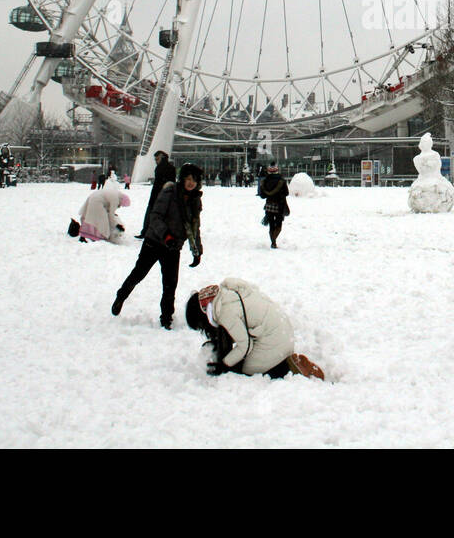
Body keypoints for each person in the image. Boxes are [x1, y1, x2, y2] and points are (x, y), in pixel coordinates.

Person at [112, 163, 203, 329]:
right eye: (188, 179)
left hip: (174, 247)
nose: (190, 183)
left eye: (194, 180)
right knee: (138, 274)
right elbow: (155, 217)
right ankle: (121, 297)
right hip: (154, 242)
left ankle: (166, 317)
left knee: (170, 284)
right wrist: (166, 236)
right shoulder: (170, 192)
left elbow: (195, 226)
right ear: (182, 179)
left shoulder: (195, 200)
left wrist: (197, 250)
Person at [184, 279, 325, 379]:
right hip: (282, 334)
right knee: (240, 360)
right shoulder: (226, 295)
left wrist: (224, 365)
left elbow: (245, 345)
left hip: (274, 341)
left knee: (245, 371)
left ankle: (289, 369)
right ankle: (287, 361)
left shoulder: (225, 312)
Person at [136, 150, 177, 239]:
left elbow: (159, 183)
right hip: (166, 195)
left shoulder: (160, 168)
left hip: (157, 195)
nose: (156, 161)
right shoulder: (171, 168)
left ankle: (146, 232)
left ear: (162, 157)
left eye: (157, 159)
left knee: (151, 213)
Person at [258, 164, 290, 248]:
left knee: (271, 224)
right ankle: (274, 240)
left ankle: (273, 242)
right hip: (279, 205)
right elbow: (286, 193)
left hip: (269, 205)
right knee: (278, 225)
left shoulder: (264, 181)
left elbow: (262, 195)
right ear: (277, 171)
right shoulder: (282, 181)